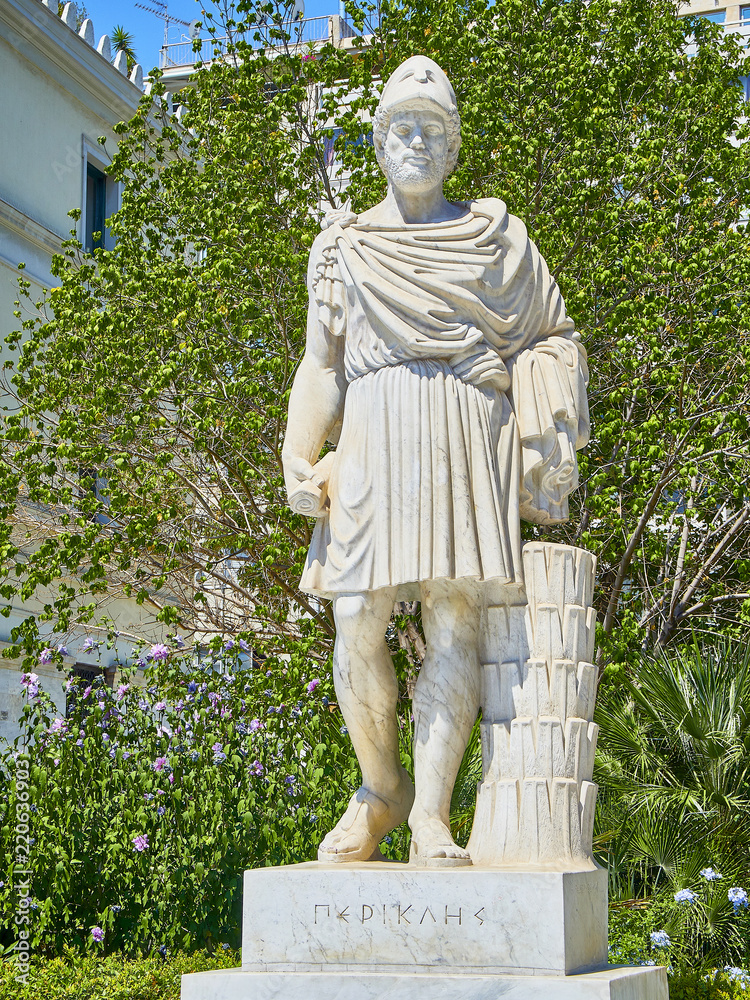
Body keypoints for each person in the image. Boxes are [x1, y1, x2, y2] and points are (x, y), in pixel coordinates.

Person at [282, 56, 589, 865]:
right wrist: (296, 450)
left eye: (433, 131)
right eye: (401, 129)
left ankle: (432, 819)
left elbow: (555, 338)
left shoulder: (496, 242)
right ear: (378, 145)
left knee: (452, 619)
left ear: (453, 150)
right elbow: (321, 365)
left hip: (465, 429)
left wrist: (528, 391)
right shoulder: (343, 247)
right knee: (355, 620)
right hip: (375, 430)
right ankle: (382, 790)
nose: (416, 142)